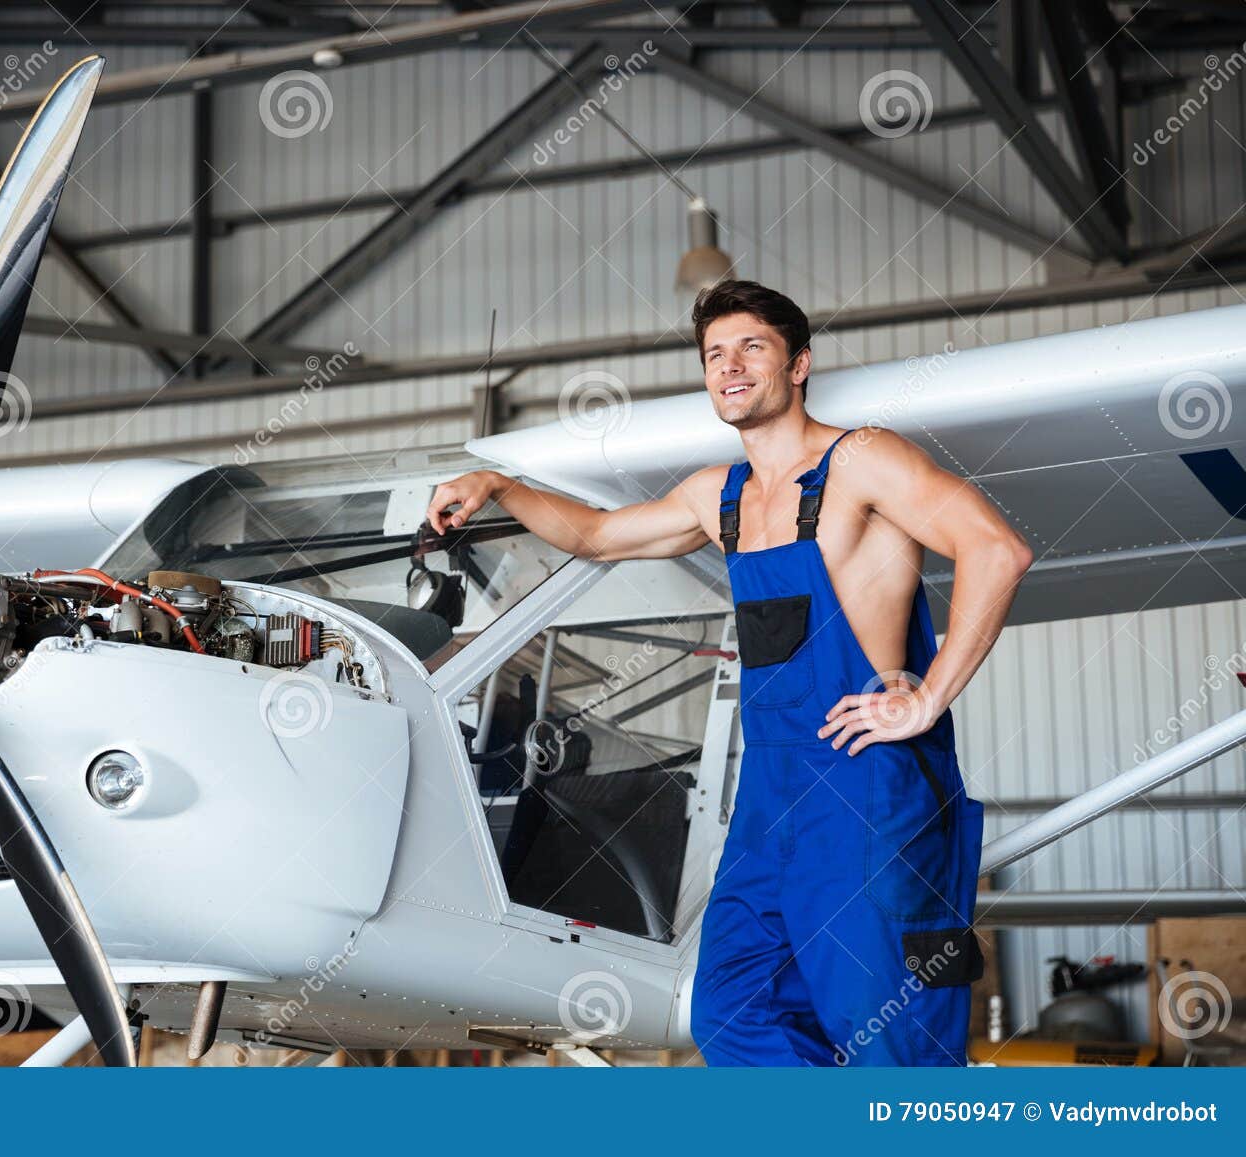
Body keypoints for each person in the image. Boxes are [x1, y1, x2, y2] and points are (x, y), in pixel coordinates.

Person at [426, 280, 1033, 1066]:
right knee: (731, 1009)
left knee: (885, 1032)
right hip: (770, 796)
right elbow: (599, 535)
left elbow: (997, 550)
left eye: (752, 347)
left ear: (800, 363)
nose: (730, 366)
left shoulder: (861, 460)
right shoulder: (722, 493)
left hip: (863, 786)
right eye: (715, 354)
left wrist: (926, 696)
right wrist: (498, 485)